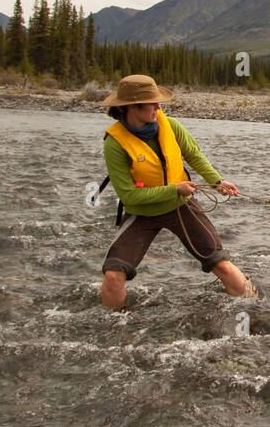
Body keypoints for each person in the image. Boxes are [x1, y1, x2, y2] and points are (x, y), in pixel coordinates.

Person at [97, 74, 255, 309]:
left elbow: (194, 156)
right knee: (113, 276)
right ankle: (111, 328)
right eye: (153, 103)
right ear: (131, 106)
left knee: (221, 265)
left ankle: (255, 307)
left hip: (181, 206)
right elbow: (129, 196)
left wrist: (217, 181)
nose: (159, 107)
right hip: (141, 213)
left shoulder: (171, 126)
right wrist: (174, 189)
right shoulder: (114, 143)